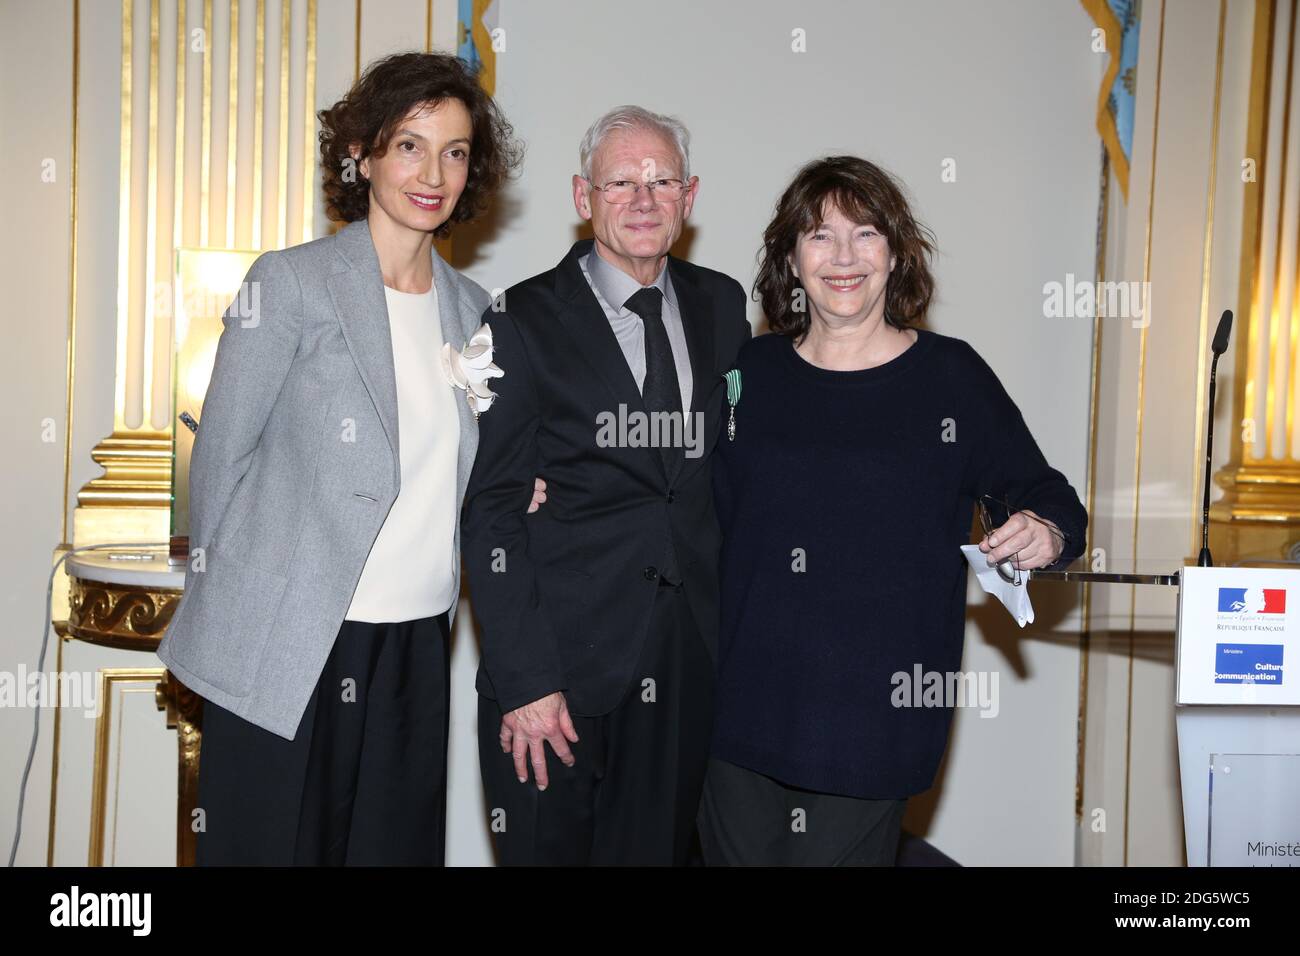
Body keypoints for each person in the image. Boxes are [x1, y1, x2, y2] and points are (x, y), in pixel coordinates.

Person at [156, 51, 530, 865]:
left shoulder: (477, 314)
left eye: (455, 152)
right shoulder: (292, 284)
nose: (432, 174)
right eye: (410, 146)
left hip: (416, 645)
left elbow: (471, 482)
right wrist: (229, 621)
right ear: (361, 154)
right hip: (289, 643)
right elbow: (219, 462)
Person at [698, 156, 1088, 866]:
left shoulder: (951, 377)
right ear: (791, 258)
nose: (844, 256)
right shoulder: (748, 374)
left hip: (872, 725)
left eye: (866, 233)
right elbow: (688, 511)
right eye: (820, 235)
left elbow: (1050, 497)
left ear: (896, 253)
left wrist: (1045, 530)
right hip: (739, 715)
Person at [462, 105, 751, 865]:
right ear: (582, 197)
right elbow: (491, 509)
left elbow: (732, 468)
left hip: (684, 666)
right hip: (555, 672)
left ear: (690, 197)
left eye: (662, 182)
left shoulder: (724, 307)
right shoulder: (520, 319)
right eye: (620, 182)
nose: (643, 200)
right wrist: (525, 679)